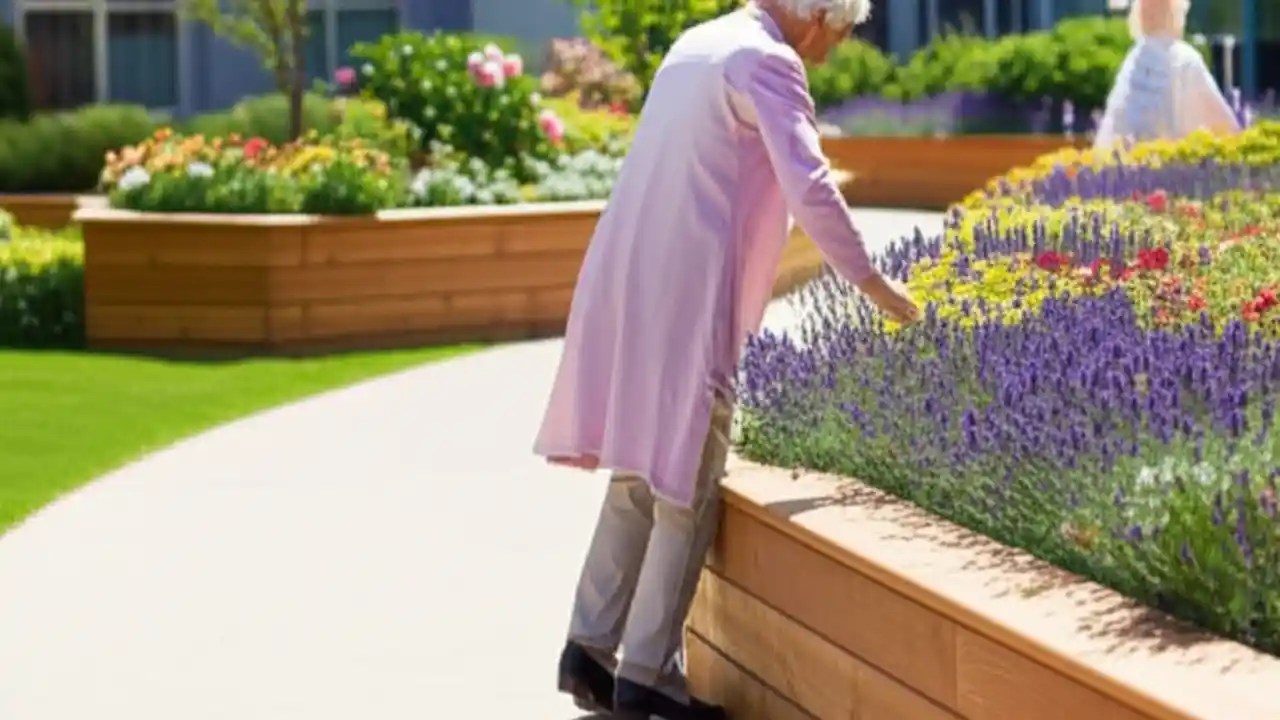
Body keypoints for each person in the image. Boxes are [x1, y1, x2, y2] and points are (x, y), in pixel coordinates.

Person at [534, 0, 920, 718]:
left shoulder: (698, 43)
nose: (829, 54)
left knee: (638, 474)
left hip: (630, 277)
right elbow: (810, 184)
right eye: (837, 35)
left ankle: (588, 649)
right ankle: (648, 676)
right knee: (686, 483)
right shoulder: (769, 61)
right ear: (817, 17)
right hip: (687, 292)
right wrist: (872, 283)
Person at [1093, 0, 1240, 152]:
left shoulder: (1135, 58)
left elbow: (1109, 131)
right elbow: (1223, 126)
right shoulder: (1184, 58)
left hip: (1124, 165)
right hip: (1164, 164)